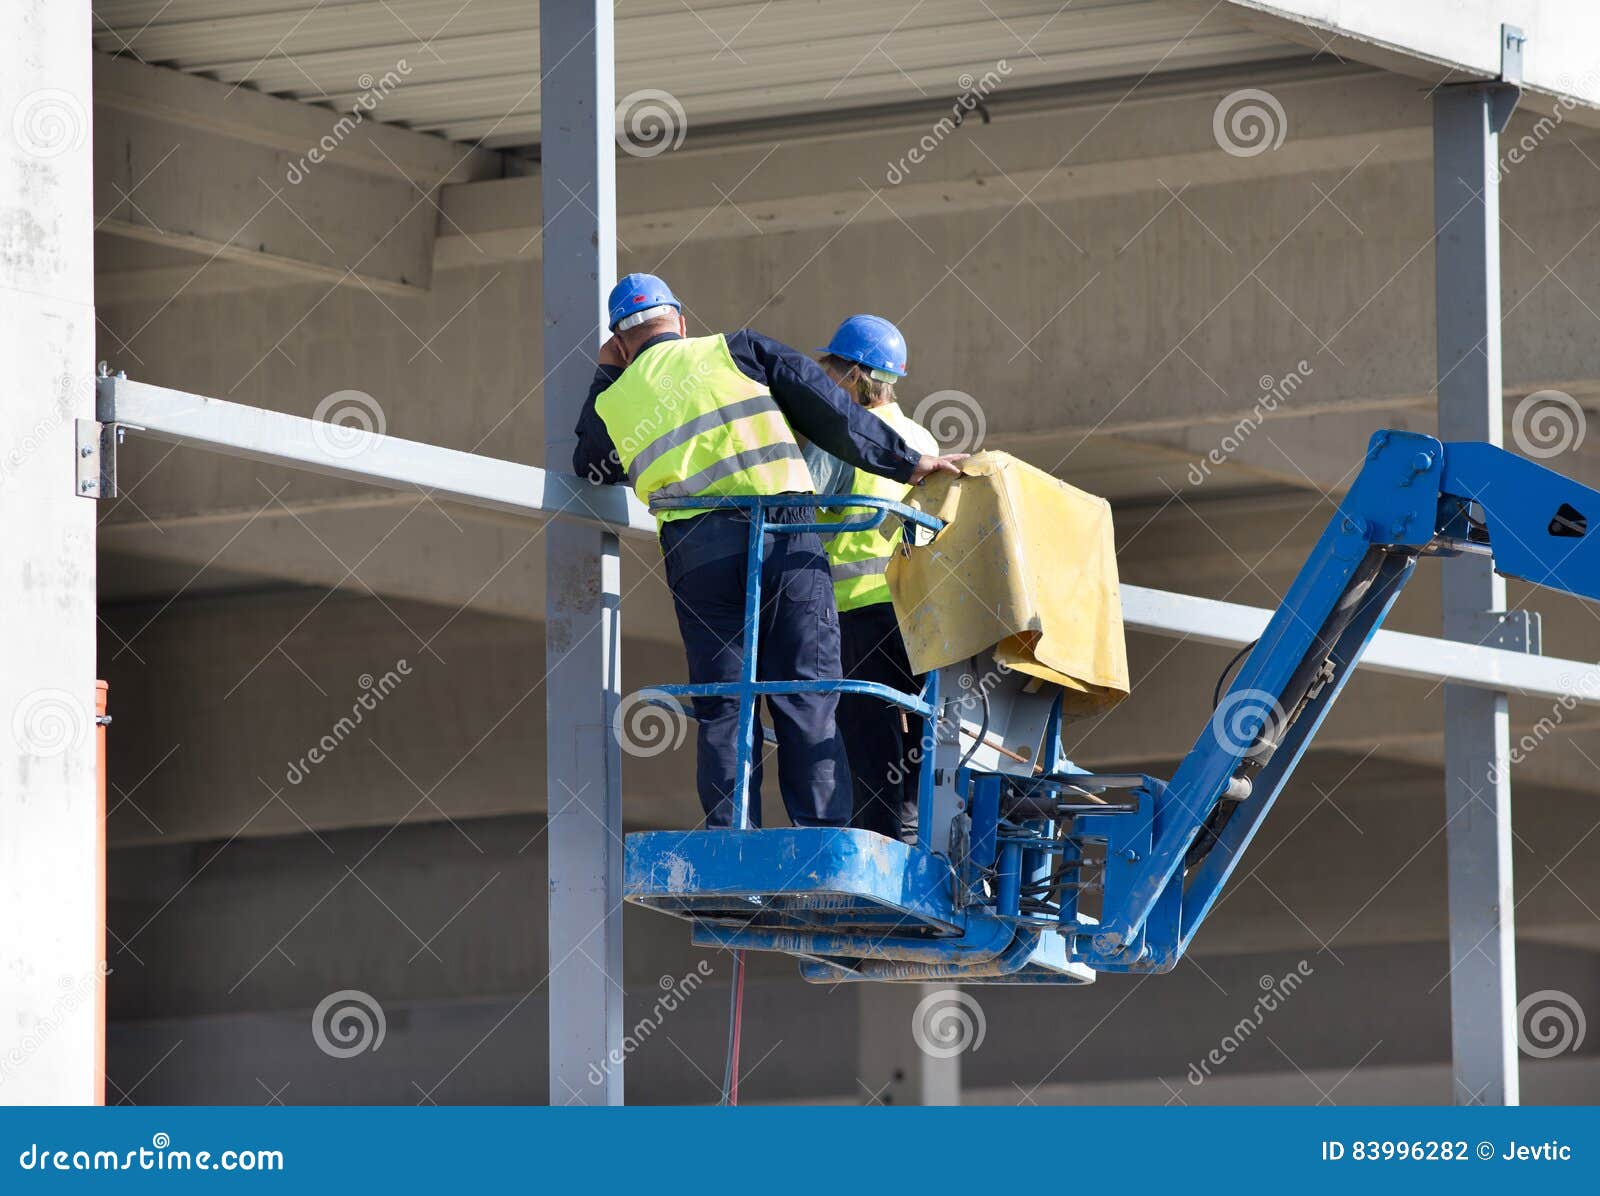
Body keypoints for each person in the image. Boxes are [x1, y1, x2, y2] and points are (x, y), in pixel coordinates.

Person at [572, 274, 964, 830]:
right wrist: (904, 461)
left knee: (725, 704)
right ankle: (820, 838)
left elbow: (593, 465)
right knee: (806, 694)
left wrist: (607, 374)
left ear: (619, 339)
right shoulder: (735, 349)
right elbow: (825, 407)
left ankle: (733, 834)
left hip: (697, 551)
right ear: (681, 322)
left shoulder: (616, 398)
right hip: (783, 536)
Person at [804, 315, 940, 844]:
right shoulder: (921, 437)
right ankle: (912, 839)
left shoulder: (842, 432)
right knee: (911, 740)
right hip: (914, 614)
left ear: (857, 376)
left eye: (833, 371)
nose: (827, 382)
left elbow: (802, 514)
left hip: (855, 609)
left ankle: (884, 846)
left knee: (865, 741)